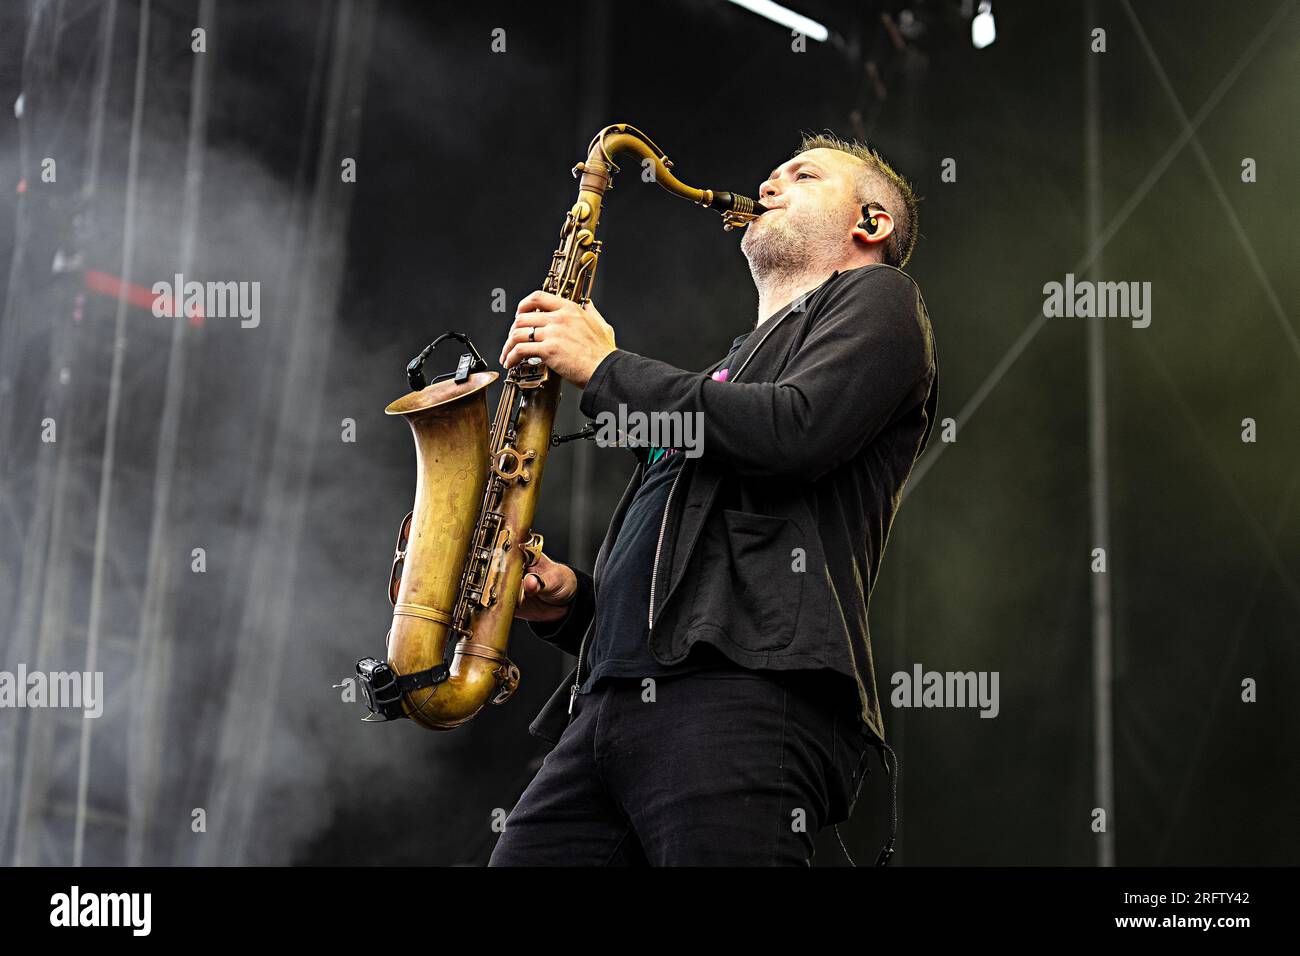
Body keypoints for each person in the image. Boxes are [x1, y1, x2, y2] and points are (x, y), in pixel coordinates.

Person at [488, 132, 938, 866]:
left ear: (871, 224)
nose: (768, 185)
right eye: (771, 172)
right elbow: (690, 584)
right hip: (606, 711)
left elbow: (793, 431)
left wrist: (606, 368)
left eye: (802, 175)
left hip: (740, 702)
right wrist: (572, 603)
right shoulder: (729, 370)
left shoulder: (881, 296)